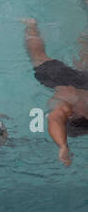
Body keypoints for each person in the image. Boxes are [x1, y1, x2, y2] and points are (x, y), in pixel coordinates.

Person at [23, 18, 88, 166]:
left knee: (38, 56)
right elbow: (55, 120)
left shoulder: (65, 105)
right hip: (66, 81)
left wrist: (63, 146)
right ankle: (31, 26)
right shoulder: (65, 104)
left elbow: (55, 120)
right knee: (38, 56)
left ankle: (31, 25)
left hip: (64, 80)